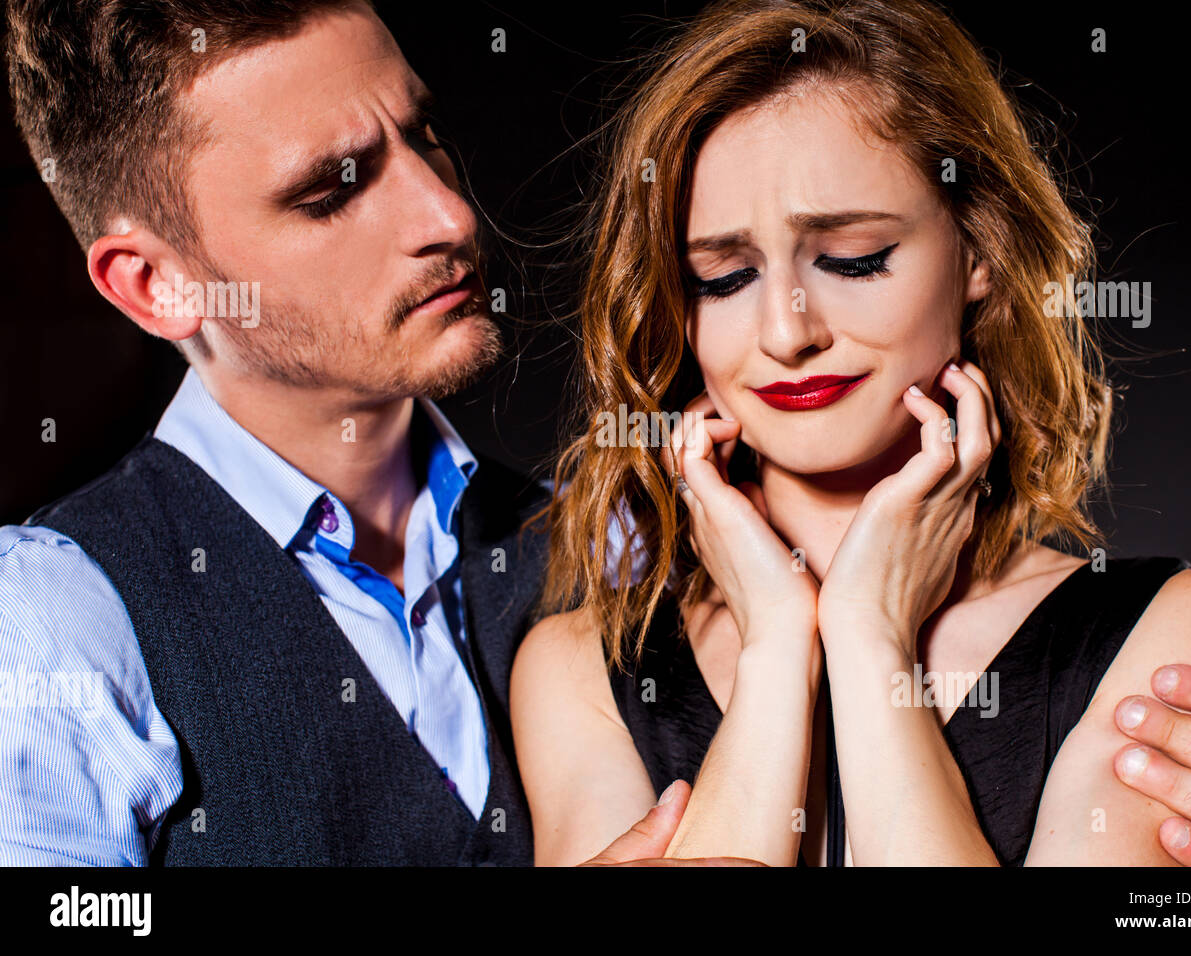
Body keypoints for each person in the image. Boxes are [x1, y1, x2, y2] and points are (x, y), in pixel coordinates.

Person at [513, 0, 1191, 866]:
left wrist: (869, 630)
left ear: (979, 252)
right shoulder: (579, 672)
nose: (787, 331)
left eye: (852, 258)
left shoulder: (1172, 633)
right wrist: (779, 642)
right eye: (723, 277)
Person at [0, 0, 712, 867]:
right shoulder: (55, 622)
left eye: (425, 133)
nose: (446, 216)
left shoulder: (606, 541)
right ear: (155, 284)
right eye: (331, 190)